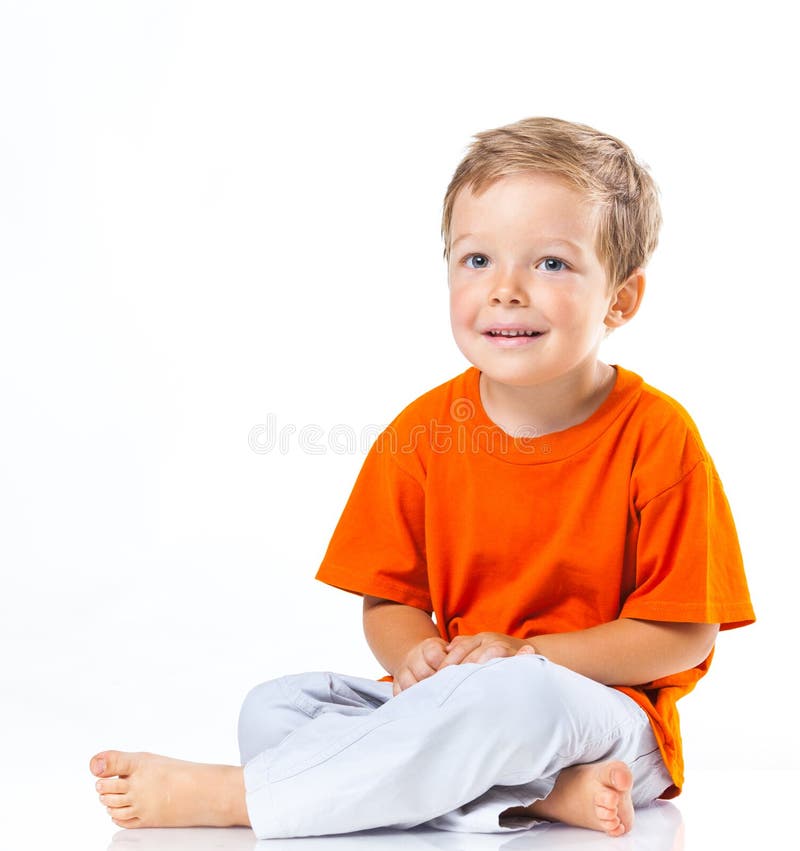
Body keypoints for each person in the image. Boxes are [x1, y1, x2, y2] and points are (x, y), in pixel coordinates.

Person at [89, 116, 755, 839]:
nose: (505, 290)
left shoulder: (659, 437)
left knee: (514, 699)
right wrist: (417, 656)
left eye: (551, 264)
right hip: (457, 705)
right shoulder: (422, 434)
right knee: (274, 708)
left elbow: (684, 633)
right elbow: (389, 603)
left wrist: (526, 655)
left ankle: (244, 800)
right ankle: (535, 797)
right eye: (477, 260)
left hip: (603, 713)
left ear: (621, 300)